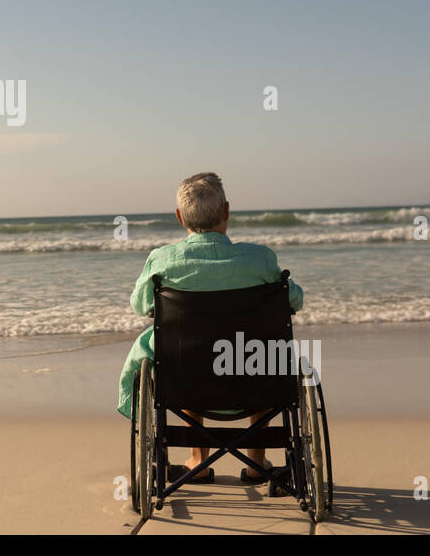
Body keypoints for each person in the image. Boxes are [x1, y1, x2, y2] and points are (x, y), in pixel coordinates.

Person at [116, 172, 303, 483]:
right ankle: (257, 462)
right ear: (226, 211)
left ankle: (198, 460)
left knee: (181, 347)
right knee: (266, 347)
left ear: (179, 217)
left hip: (186, 378)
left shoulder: (162, 260)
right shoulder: (261, 259)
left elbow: (139, 305)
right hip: (254, 375)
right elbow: (294, 299)